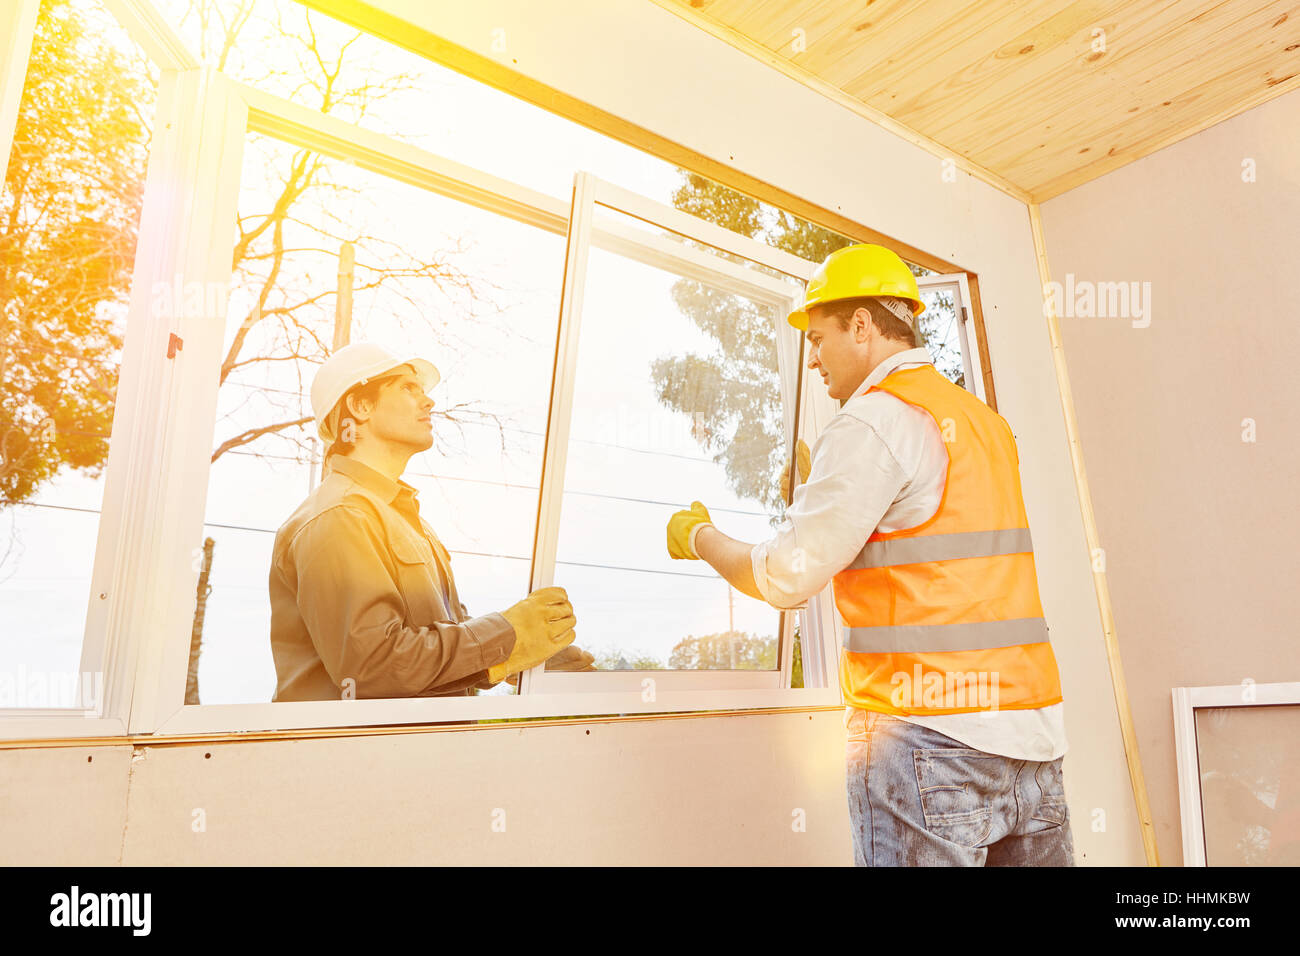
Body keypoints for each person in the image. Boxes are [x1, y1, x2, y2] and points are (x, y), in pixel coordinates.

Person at [665, 244, 1074, 866]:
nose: (812, 360)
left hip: (929, 740)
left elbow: (785, 578)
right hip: (1031, 739)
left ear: (862, 326)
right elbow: (930, 552)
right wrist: (817, 496)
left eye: (819, 337)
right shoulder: (982, 423)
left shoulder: (873, 422)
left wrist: (700, 537)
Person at [270, 341, 592, 702]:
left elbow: (436, 656)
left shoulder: (408, 524)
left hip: (419, 751)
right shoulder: (339, 517)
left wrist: (524, 653)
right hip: (357, 756)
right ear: (360, 406)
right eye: (408, 388)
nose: (428, 401)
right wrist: (508, 634)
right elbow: (374, 667)